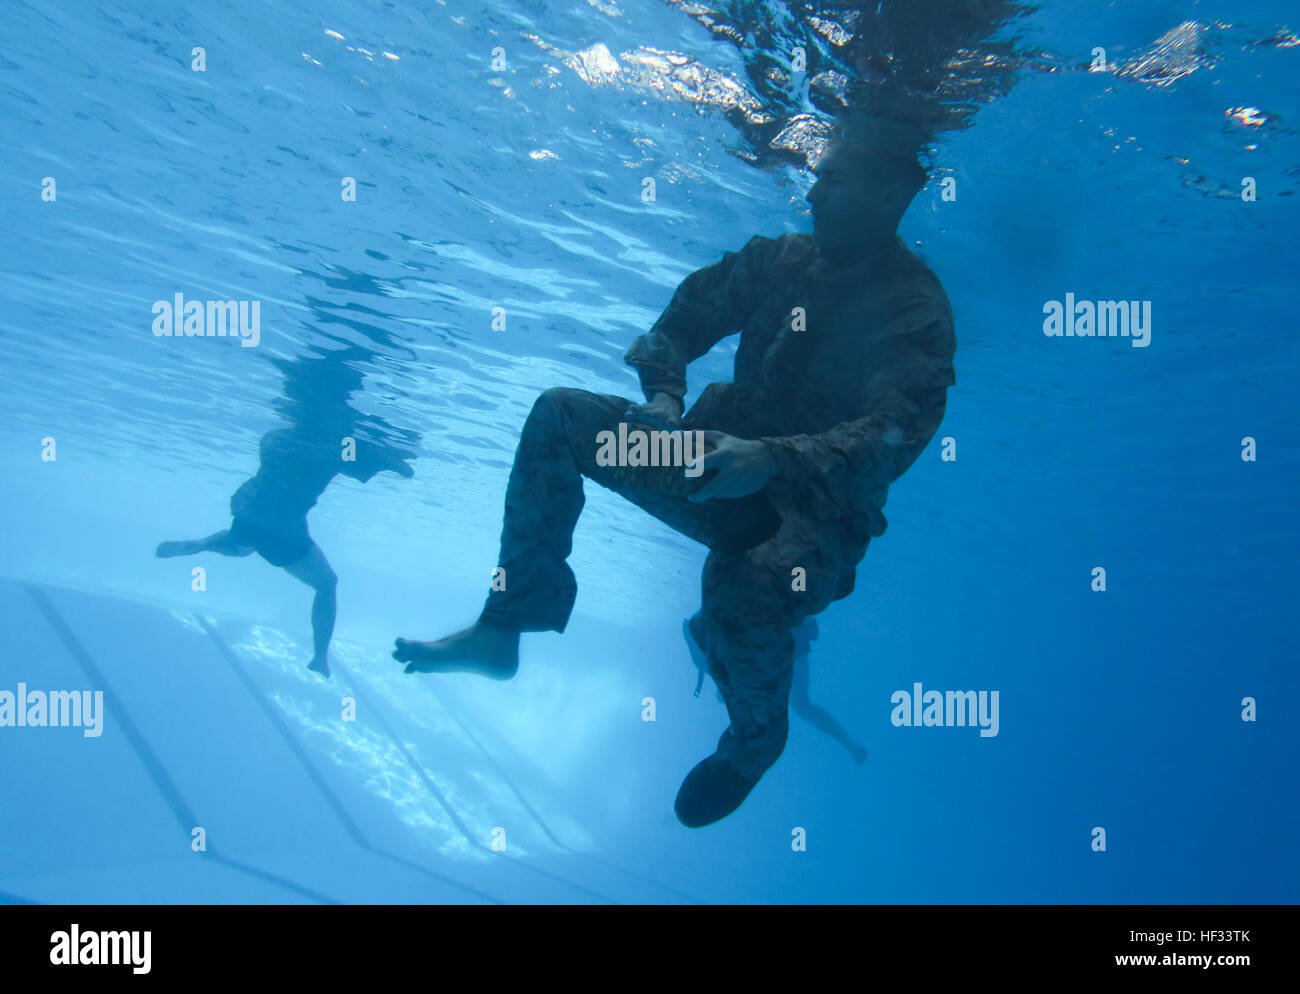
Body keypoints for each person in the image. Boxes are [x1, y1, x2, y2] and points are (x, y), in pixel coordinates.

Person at [394, 136, 956, 827]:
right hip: (713, 457)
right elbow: (689, 315)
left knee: (740, 585)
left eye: (834, 181)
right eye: (818, 178)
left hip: (815, 509)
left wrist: (773, 458)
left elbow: (893, 436)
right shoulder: (779, 260)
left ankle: (754, 746)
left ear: (891, 196)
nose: (811, 194)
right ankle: (503, 627)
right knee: (561, 416)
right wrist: (662, 396)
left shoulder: (913, 308)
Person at [157, 425, 413, 677]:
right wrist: (389, 459)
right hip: (284, 526)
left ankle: (201, 545)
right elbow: (400, 469)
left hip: (250, 507)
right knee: (326, 583)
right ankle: (319, 656)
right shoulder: (339, 447)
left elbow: (271, 446)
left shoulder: (277, 437)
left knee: (244, 545)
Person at [685, 614, 869, 764]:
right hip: (790, 633)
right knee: (802, 705)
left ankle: (850, 745)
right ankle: (850, 744)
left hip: (782, 636)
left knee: (799, 705)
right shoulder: (713, 655)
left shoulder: (709, 658)